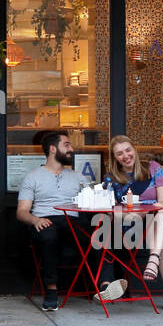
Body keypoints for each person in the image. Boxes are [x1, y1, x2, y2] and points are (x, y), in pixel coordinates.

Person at [17, 131, 119, 309]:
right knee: (49, 235)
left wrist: (105, 207)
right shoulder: (33, 176)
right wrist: (35, 220)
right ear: (52, 149)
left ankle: (105, 286)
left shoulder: (78, 177)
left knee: (102, 233)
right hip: (45, 220)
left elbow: (93, 201)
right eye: (67, 145)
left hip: (72, 222)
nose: (71, 149)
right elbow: (21, 212)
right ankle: (51, 290)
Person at [104, 135, 163, 312]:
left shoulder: (153, 168)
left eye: (128, 150)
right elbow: (111, 210)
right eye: (120, 153)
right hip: (129, 225)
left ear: (135, 150)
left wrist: (149, 211)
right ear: (115, 158)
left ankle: (154, 261)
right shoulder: (111, 178)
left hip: (155, 218)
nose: (126, 156)